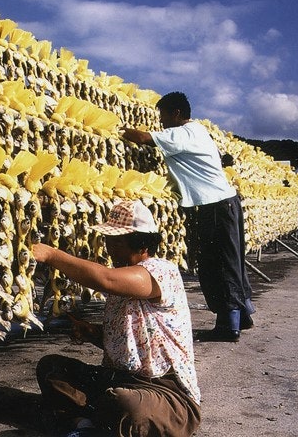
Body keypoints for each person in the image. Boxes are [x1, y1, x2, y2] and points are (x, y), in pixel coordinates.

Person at [33, 200, 201, 437]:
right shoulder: (125, 275)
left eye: (117, 241)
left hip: (165, 393)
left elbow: (106, 279)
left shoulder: (161, 271)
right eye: (108, 240)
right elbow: (135, 343)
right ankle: (87, 425)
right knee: (51, 367)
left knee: (124, 404)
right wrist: (95, 333)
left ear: (141, 243)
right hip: (117, 380)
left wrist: (51, 255)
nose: (110, 248)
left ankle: (86, 420)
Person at [120, 91, 254, 342]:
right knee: (231, 260)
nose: (161, 122)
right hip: (226, 203)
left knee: (217, 264)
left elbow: (143, 138)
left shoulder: (181, 133)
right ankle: (241, 315)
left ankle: (229, 327)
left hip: (213, 206)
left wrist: (120, 129)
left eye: (163, 116)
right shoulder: (200, 130)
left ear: (176, 113)